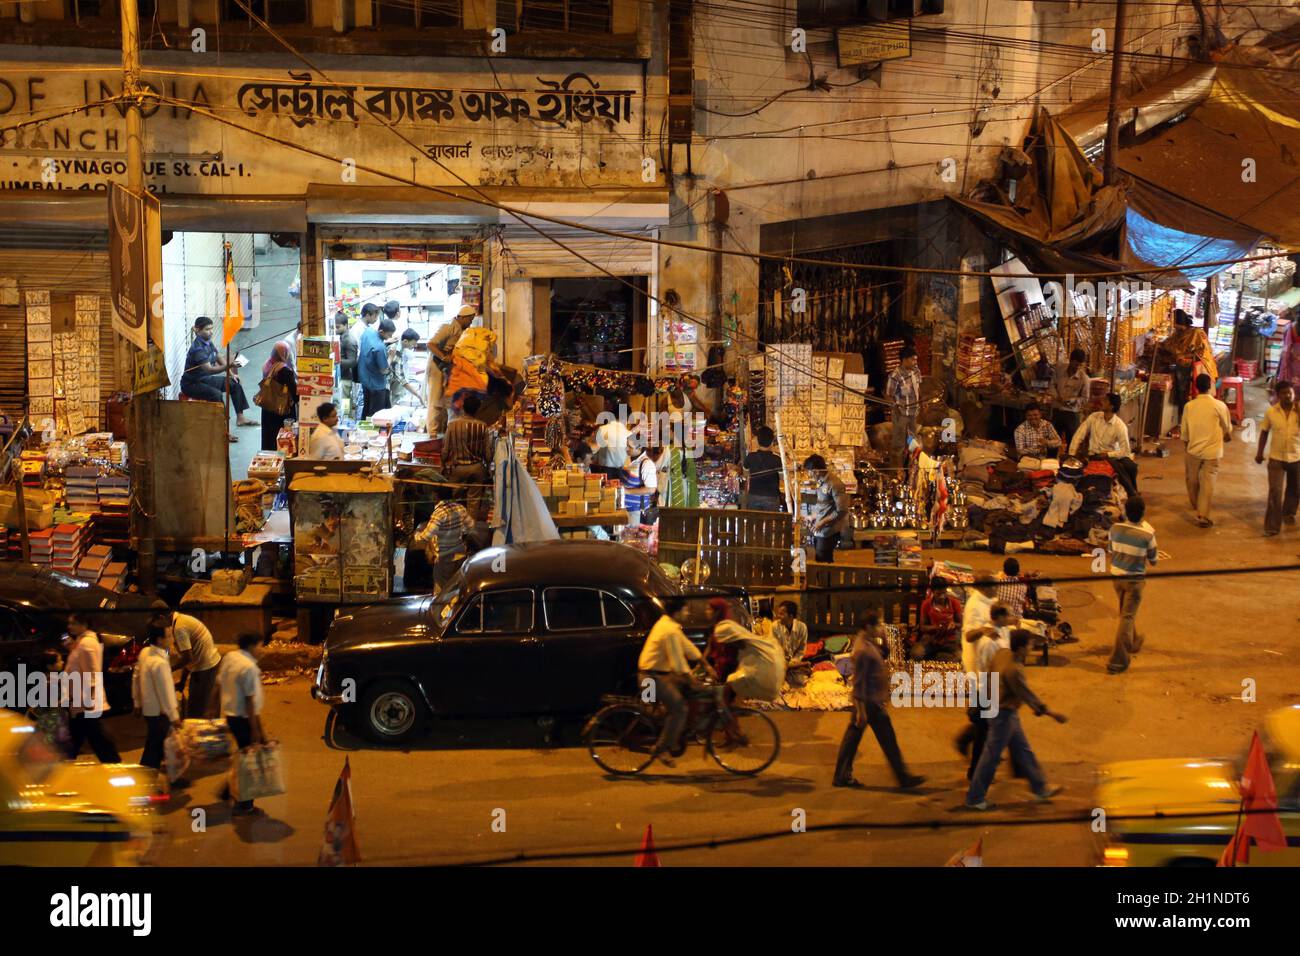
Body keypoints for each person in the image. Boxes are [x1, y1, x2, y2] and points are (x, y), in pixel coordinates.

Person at [964, 630, 1067, 811]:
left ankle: (1040, 788)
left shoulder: (1002, 653)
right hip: (1002, 715)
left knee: (1023, 750)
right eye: (1029, 644)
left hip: (1001, 709)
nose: (1032, 647)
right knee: (991, 757)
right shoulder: (1014, 670)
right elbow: (1029, 696)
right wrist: (1053, 714)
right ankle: (975, 797)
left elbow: (989, 674)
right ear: (1020, 648)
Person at [832, 616, 925, 791]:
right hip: (868, 702)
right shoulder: (862, 650)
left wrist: (883, 638)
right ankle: (903, 778)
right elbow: (858, 681)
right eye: (878, 624)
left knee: (853, 740)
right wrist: (860, 711)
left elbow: (884, 654)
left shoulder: (868, 642)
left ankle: (841, 776)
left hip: (872, 700)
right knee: (886, 740)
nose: (881, 627)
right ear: (868, 626)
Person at [637, 596, 705, 767]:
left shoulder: (668, 625)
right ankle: (661, 748)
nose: (688, 612)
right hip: (650, 679)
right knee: (680, 709)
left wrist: (703, 662)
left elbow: (688, 647)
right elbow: (678, 664)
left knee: (669, 704)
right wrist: (691, 678)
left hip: (653, 675)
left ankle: (669, 734)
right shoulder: (670, 630)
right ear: (677, 612)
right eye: (685, 609)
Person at [217, 632, 267, 816]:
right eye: (260, 646)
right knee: (250, 761)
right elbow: (250, 702)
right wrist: (256, 730)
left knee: (243, 756)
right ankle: (245, 804)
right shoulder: (249, 668)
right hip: (245, 719)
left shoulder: (230, 658)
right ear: (252, 646)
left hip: (232, 716)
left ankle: (227, 790)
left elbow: (219, 683)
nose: (262, 650)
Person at [1107, 494, 1157, 674]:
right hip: (1134, 580)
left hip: (1116, 577)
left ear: (1125, 512)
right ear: (1143, 512)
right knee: (1127, 617)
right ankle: (1118, 661)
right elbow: (1153, 560)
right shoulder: (1147, 533)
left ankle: (1133, 642)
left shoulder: (1114, 529)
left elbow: (1110, 550)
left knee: (1125, 611)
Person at [180, 316, 255, 435]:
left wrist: (231, 374)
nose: (211, 332)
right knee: (216, 395)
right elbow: (210, 370)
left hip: (204, 379)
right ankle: (223, 429)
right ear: (198, 330)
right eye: (207, 329)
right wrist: (229, 366)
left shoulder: (208, 342)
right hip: (192, 384)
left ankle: (240, 418)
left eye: (211, 328)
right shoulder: (198, 349)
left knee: (234, 384)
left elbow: (219, 358)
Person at [63, 612, 121, 762]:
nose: (69, 627)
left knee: (97, 737)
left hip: (85, 703)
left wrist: (89, 699)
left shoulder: (87, 644)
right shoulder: (82, 642)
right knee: (80, 737)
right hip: (80, 702)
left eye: (73, 623)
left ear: (84, 625)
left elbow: (92, 673)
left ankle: (114, 764)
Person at [707, 598, 785, 704]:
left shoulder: (723, 628)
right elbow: (710, 648)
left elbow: (740, 646)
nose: (707, 612)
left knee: (725, 702)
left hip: (731, 669)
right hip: (726, 669)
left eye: (710, 609)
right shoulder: (721, 626)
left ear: (718, 611)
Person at [1181, 372, 1233, 528]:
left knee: (1192, 481)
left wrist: (1187, 449)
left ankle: (1197, 506)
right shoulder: (1220, 406)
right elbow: (1227, 428)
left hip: (1193, 451)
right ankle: (1202, 514)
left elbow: (1184, 433)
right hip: (1212, 452)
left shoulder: (1189, 406)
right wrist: (1226, 435)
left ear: (1196, 388)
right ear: (1210, 386)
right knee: (1207, 483)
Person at [151, 604, 222, 719]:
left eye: (156, 621)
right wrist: (182, 681)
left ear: (161, 617)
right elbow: (178, 652)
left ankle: (198, 731)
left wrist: (170, 669)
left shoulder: (179, 628)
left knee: (197, 709)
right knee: (202, 704)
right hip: (203, 662)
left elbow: (187, 658)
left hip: (206, 666)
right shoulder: (177, 622)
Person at [132, 625, 181, 772]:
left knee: (154, 746)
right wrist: (174, 716)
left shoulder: (145, 653)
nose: (172, 639)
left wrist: (137, 702)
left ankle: (152, 776)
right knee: (154, 750)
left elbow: (136, 677)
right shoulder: (160, 663)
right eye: (169, 636)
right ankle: (145, 779)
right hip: (160, 713)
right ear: (160, 640)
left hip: (149, 710)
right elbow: (165, 692)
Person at [1069, 392, 1138, 496]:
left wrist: (1108, 454)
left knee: (1131, 466)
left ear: (1111, 406)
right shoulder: (1094, 417)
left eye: (1105, 400)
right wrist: (1072, 453)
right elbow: (1079, 434)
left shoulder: (1120, 426)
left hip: (1110, 455)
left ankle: (1132, 489)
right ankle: (1132, 492)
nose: (1101, 401)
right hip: (1095, 456)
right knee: (1117, 465)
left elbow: (1125, 451)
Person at [1257, 380, 1300, 537]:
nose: (1288, 395)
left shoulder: (1299, 410)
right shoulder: (1271, 412)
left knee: (1295, 488)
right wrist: (1260, 452)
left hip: (1296, 456)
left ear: (1293, 393)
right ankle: (1272, 527)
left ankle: (1288, 512)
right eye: (1284, 393)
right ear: (1278, 395)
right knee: (1275, 491)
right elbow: (1264, 432)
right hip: (1276, 458)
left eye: (1290, 392)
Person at [427, 305, 477, 435]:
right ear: (463, 317)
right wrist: (444, 356)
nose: (470, 323)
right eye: (470, 320)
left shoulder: (462, 330)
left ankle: (442, 433)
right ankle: (432, 434)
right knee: (435, 401)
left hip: (447, 368)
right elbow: (430, 344)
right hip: (436, 366)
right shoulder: (448, 326)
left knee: (445, 401)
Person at [414, 486, 475, 591]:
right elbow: (471, 526)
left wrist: (417, 535)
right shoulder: (460, 508)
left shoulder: (439, 513)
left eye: (433, 494)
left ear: (437, 496)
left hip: (444, 559)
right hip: (460, 557)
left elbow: (426, 536)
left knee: (441, 592)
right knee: (456, 589)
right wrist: (459, 531)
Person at [443, 394, 492, 522]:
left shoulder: (452, 425)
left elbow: (445, 450)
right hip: (477, 469)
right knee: (473, 503)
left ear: (463, 408)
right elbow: (487, 453)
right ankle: (470, 532)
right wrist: (487, 467)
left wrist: (443, 465)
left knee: (452, 501)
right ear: (477, 410)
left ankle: (452, 526)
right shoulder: (483, 426)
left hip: (458, 469)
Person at [1161, 309, 1218, 414]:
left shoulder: (1197, 333)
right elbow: (1170, 344)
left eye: (1173, 322)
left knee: (1187, 390)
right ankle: (1183, 413)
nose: (1172, 325)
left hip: (1197, 368)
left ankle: (1188, 414)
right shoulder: (1178, 333)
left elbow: (1203, 353)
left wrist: (1183, 356)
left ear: (1178, 323)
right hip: (1183, 365)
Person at [804, 454, 848, 563]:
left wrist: (822, 522)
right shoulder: (821, 482)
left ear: (816, 471)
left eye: (809, 472)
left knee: (823, 561)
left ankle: (826, 580)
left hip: (829, 531)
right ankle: (825, 579)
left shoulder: (835, 484)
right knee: (821, 559)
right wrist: (812, 517)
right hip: (821, 529)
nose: (809, 475)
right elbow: (824, 506)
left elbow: (841, 511)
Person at [885, 346, 922, 469]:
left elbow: (918, 388)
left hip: (913, 413)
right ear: (904, 360)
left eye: (916, 360)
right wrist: (895, 409)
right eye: (913, 360)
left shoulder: (916, 371)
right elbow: (889, 396)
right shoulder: (895, 375)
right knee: (898, 444)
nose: (915, 362)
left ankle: (911, 469)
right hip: (901, 414)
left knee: (913, 442)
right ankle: (896, 472)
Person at [257, 340, 297, 451]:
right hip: (281, 408)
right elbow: (294, 391)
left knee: (268, 436)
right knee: (281, 437)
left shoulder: (268, 364)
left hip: (268, 406)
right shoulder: (284, 370)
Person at [914, 576, 962, 661]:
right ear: (932, 592)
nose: (942, 597)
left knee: (960, 657)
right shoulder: (926, 604)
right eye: (938, 594)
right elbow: (923, 627)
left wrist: (954, 624)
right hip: (931, 639)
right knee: (916, 654)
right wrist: (936, 627)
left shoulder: (955, 603)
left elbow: (961, 624)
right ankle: (938, 659)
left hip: (950, 640)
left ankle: (936, 659)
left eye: (944, 593)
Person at [357, 307, 390, 419]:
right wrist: (390, 357)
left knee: (366, 409)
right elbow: (383, 370)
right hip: (376, 384)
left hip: (365, 378)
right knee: (375, 414)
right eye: (389, 335)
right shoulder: (379, 347)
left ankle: (362, 431)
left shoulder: (368, 332)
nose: (389, 337)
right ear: (382, 331)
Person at [743, 425, 783, 511]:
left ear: (757, 441)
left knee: (754, 523)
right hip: (771, 497)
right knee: (771, 523)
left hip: (754, 495)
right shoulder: (777, 459)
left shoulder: (750, 457)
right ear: (772, 442)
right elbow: (782, 478)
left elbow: (746, 474)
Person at [592, 392, 632, 480]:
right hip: (622, 472)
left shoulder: (602, 429)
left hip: (603, 471)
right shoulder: (628, 434)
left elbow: (594, 450)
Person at [622, 440, 662, 528]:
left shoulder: (646, 464)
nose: (626, 448)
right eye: (626, 445)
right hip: (624, 509)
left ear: (639, 448)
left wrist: (627, 491)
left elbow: (651, 489)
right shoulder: (628, 460)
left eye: (630, 447)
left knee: (632, 538)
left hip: (636, 511)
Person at [1052, 347, 1090, 436]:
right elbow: (1051, 384)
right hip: (1057, 410)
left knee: (1072, 443)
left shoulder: (1084, 379)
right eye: (1075, 364)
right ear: (1070, 361)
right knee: (1053, 440)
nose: (1077, 368)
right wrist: (1056, 396)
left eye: (1080, 365)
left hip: (1072, 413)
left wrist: (1071, 400)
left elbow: (1085, 399)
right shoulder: (1059, 370)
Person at [387, 327, 425, 408]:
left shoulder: (401, 347)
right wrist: (418, 395)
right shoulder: (396, 351)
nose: (415, 346)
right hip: (386, 386)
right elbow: (400, 378)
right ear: (405, 341)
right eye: (413, 344)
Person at [335, 310, 359, 418]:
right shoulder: (339, 337)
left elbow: (352, 361)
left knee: (344, 407)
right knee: (340, 406)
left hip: (345, 380)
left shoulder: (349, 339)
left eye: (338, 327)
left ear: (345, 325)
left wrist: (335, 362)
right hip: (340, 378)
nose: (335, 329)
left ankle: (345, 424)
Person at [772, 600, 808, 666]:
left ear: (791, 616)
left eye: (781, 614)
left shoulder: (802, 628)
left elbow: (801, 650)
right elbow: (774, 648)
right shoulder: (775, 626)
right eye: (778, 613)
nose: (778, 616)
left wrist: (793, 661)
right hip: (779, 662)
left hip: (794, 662)